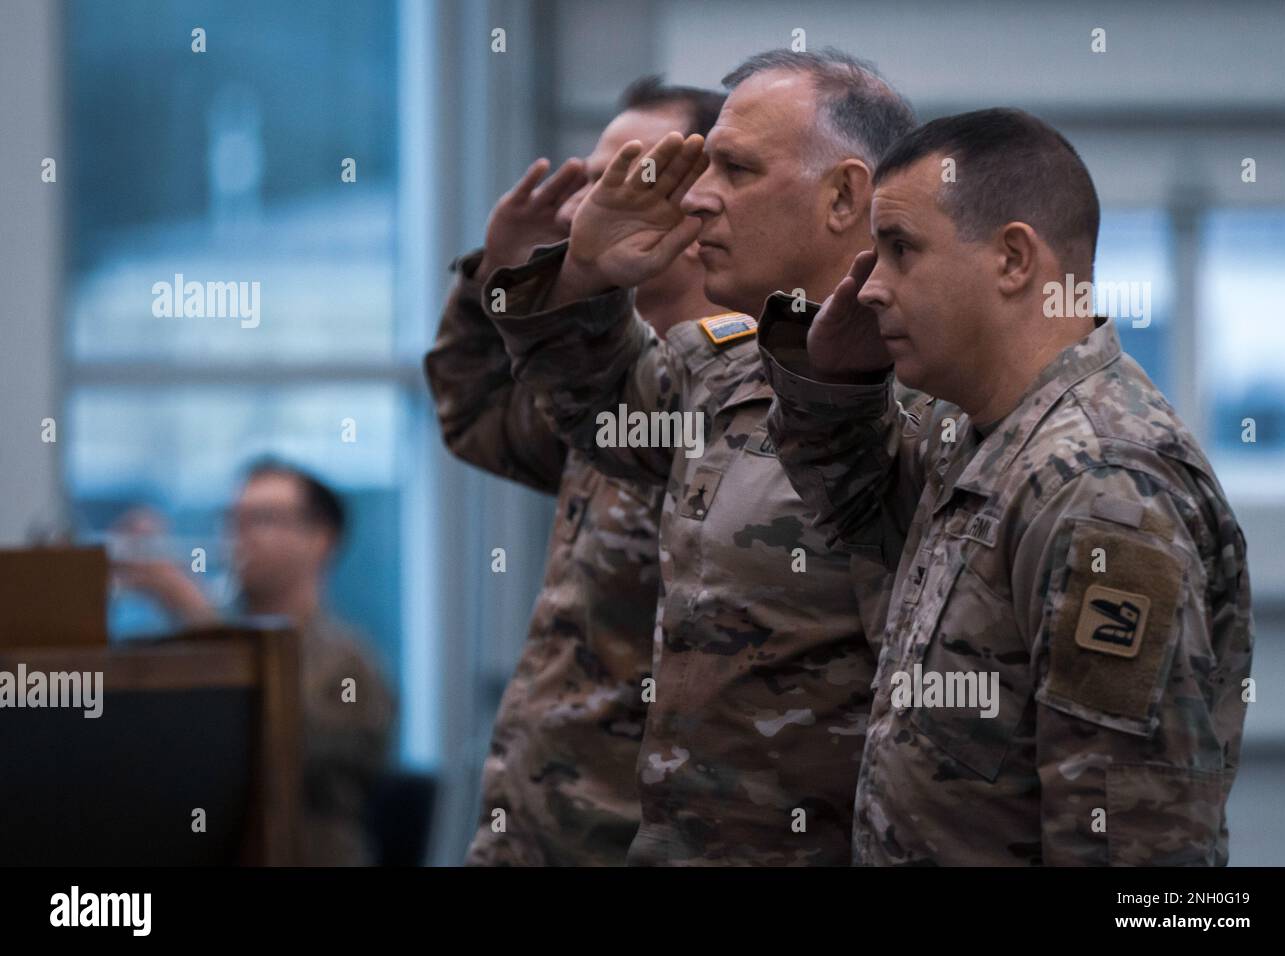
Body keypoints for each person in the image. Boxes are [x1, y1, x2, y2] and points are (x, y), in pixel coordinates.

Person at [757, 108, 1254, 865]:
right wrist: (838, 378)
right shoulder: (982, 435)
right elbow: (858, 515)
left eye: (900, 251)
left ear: (1014, 259)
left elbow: (1131, 848)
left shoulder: (1100, 487)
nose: (869, 290)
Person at [482, 50, 916, 865]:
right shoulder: (722, 363)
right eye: (704, 164)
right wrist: (582, 275)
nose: (702, 198)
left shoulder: (920, 393)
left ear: (844, 196)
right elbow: (597, 418)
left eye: (737, 169)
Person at [425, 75, 724, 865]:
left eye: (618, 179)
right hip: (536, 826)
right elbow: (476, 414)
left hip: (632, 835)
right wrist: (500, 270)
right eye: (586, 180)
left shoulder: (737, 403)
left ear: (706, 208)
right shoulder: (602, 392)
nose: (574, 210)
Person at [115, 460, 395, 866]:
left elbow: (285, 749)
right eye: (232, 518)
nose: (238, 535)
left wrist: (193, 609)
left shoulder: (351, 664)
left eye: (262, 519)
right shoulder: (200, 640)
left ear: (321, 538)